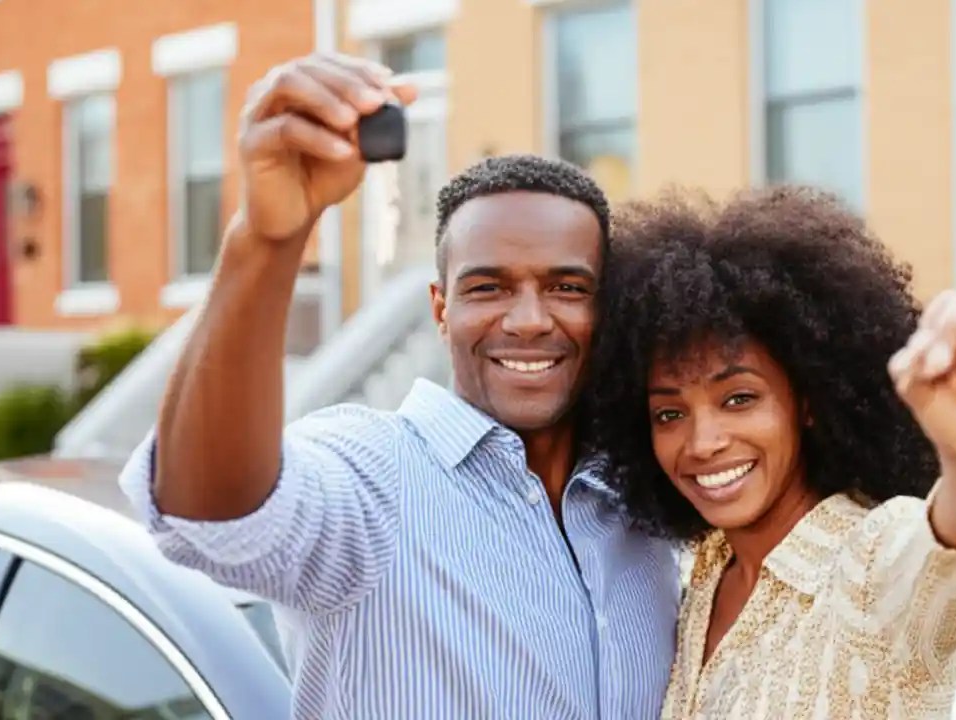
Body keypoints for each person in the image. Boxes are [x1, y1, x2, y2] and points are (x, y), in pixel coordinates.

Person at [118, 53, 679, 719]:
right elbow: (210, 509)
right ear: (442, 310)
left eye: (566, 287)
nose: (529, 321)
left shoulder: (649, 503)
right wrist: (267, 240)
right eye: (488, 287)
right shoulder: (373, 478)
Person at [586, 187, 956, 719]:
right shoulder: (699, 573)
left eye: (739, 398)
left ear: (810, 401)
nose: (703, 443)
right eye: (670, 414)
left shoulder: (868, 566)